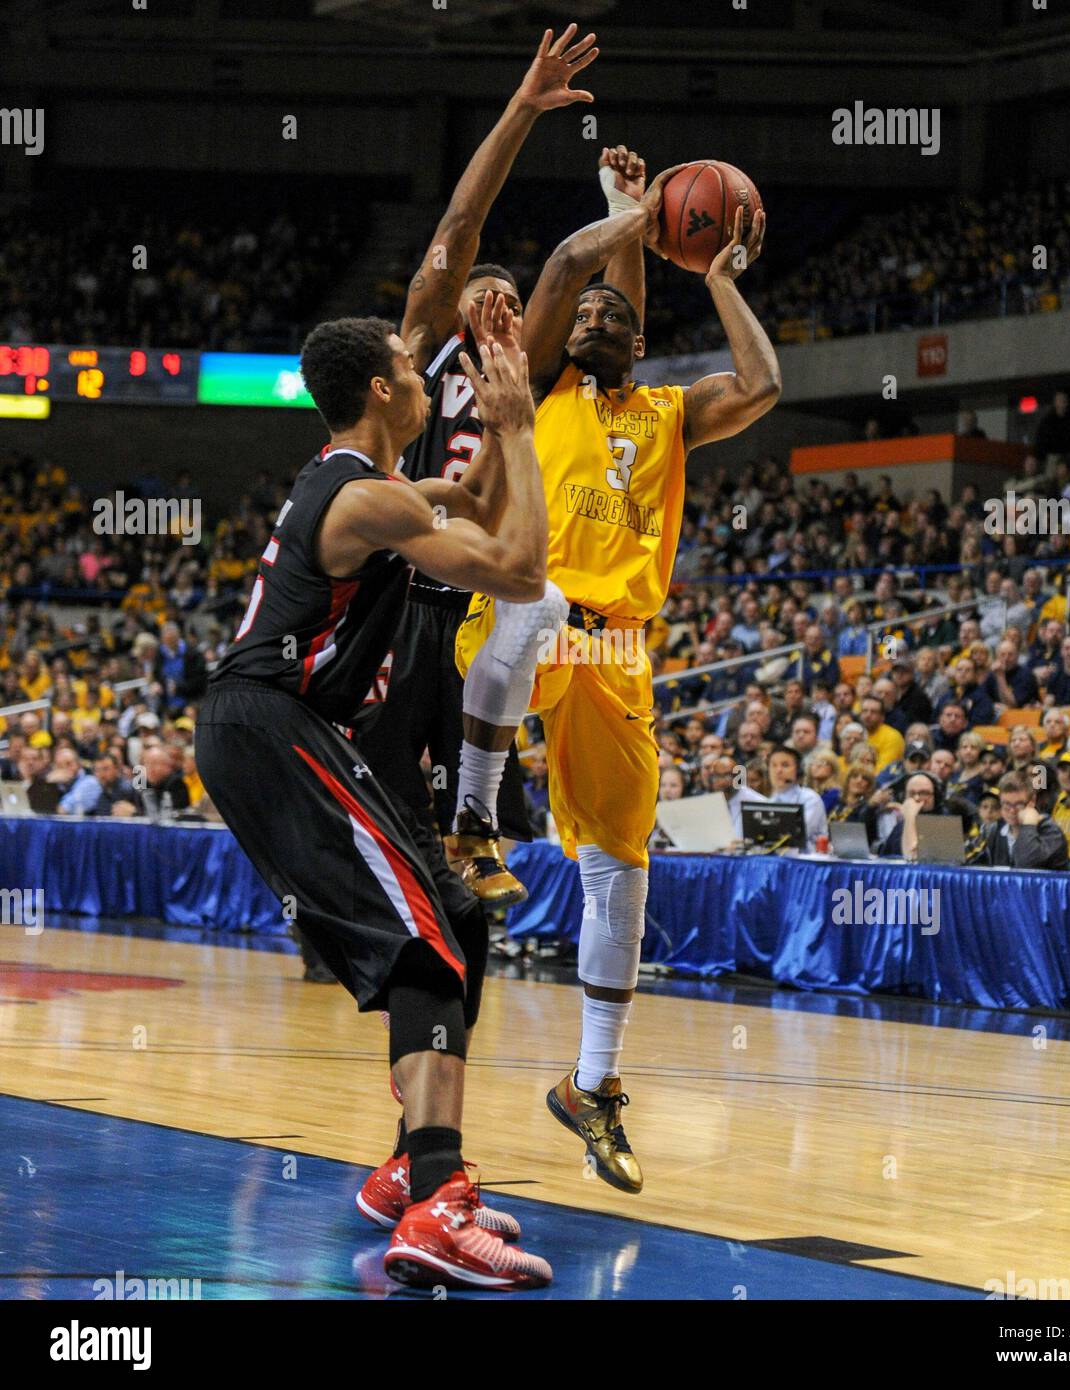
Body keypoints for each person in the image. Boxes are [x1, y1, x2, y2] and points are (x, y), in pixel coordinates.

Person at [195, 303, 554, 1290]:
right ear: (384, 393)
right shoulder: (362, 498)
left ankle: (417, 1169)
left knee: (446, 924)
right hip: (271, 725)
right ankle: (439, 1199)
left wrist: (509, 367)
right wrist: (518, 425)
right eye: (410, 362)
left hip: (275, 728)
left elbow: (473, 500)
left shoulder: (376, 486)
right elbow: (519, 566)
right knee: (427, 943)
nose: (421, 372)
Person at [456, 158, 779, 1192]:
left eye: (610, 311)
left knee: (621, 869)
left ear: (636, 342)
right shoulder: (546, 385)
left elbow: (766, 385)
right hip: (514, 609)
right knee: (538, 602)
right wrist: (625, 222)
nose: (589, 313)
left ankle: (590, 1087)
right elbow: (564, 269)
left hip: (616, 650)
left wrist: (718, 276)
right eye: (581, 313)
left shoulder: (670, 412)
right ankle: (469, 812)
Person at [353, 26, 600, 906]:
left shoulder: (522, 369)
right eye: (481, 293)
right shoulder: (416, 353)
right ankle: (348, 915)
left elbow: (571, 268)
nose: (497, 303)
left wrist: (634, 221)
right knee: (374, 780)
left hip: (473, 593)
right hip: (398, 589)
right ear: (455, 303)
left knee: (538, 610)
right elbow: (457, 232)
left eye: (508, 295)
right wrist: (522, 109)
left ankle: (477, 829)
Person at [983, 772, 1068, 868]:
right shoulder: (995, 829)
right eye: (1006, 804)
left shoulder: (1051, 832)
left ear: (1032, 801)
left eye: (1019, 804)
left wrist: (1028, 825)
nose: (1012, 810)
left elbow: (1026, 868)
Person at [765, 745, 828, 850]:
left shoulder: (810, 799)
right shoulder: (770, 801)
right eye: (774, 765)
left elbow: (797, 834)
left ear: (798, 771)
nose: (778, 770)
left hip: (805, 862)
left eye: (785, 765)